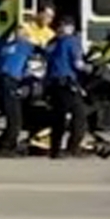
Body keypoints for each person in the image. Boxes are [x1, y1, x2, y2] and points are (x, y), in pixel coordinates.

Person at [44, 16, 89, 157]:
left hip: (53, 84)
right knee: (79, 115)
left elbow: (47, 59)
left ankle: (55, 149)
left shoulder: (52, 43)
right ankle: (73, 147)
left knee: (58, 117)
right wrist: (89, 68)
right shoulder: (72, 41)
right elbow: (78, 64)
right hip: (67, 83)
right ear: (71, 27)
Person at [0, 25, 35, 157]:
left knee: (13, 117)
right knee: (15, 119)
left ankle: (1, 142)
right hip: (10, 81)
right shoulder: (25, 46)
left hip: (2, 81)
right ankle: (6, 147)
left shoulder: (3, 46)